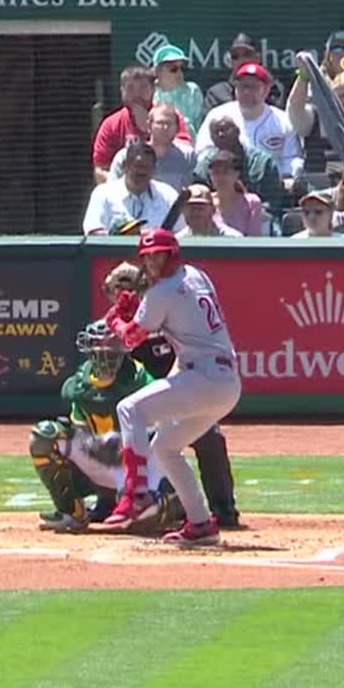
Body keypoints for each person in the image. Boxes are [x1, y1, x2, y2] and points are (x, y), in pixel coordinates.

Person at [103, 228, 241, 547]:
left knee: (129, 409)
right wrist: (136, 309)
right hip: (223, 383)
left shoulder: (162, 293)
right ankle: (200, 523)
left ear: (172, 254)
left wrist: (118, 320)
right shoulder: (196, 275)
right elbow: (170, 316)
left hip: (205, 378)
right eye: (148, 258)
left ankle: (136, 494)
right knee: (164, 448)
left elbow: (132, 337)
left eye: (158, 256)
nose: (152, 263)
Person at [30, 320, 182, 534]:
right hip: (100, 459)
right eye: (100, 346)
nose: (105, 354)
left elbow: (163, 427)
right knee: (45, 436)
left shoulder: (139, 378)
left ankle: (167, 502)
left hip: (137, 466)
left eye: (112, 346)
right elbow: (81, 432)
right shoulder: (79, 384)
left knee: (143, 518)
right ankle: (71, 512)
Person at [150, 44, 205, 135]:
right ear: (157, 71)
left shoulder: (192, 91)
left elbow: (200, 126)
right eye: (173, 69)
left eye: (183, 68)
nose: (179, 73)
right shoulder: (149, 92)